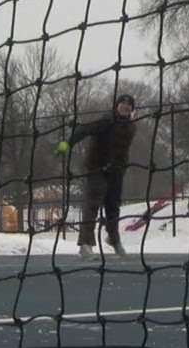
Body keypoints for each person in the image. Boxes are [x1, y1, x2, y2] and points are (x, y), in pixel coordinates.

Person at [56, 93, 138, 260]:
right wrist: (67, 144)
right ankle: (85, 245)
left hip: (116, 171)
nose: (125, 107)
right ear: (116, 106)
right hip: (97, 168)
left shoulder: (131, 127)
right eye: (122, 104)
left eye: (128, 106)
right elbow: (84, 130)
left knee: (113, 208)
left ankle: (114, 240)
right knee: (92, 205)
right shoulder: (106, 120)